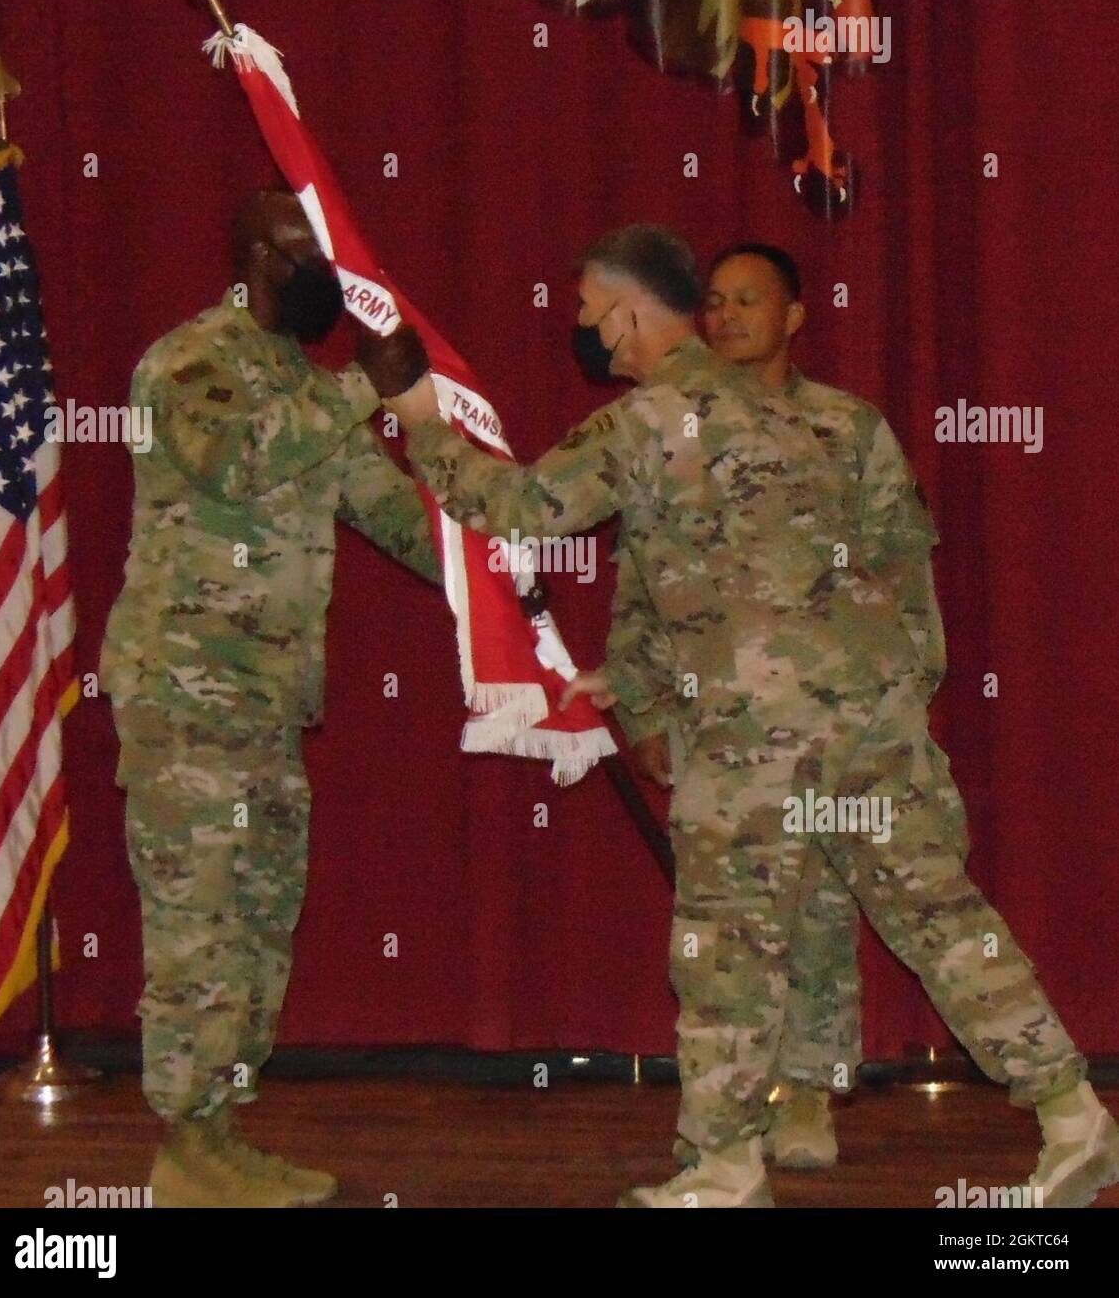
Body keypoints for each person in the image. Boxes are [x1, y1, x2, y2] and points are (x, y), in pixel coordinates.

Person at [358, 224, 1119, 1208]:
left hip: (751, 744)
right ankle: (1071, 1115)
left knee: (725, 950)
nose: (585, 329)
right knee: (938, 920)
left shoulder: (648, 421)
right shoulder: (822, 424)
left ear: (629, 308)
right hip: (865, 732)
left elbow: (522, 508)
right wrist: (640, 678)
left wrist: (418, 419)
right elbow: (731, 571)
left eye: (589, 310)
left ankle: (722, 1167)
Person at [99, 190, 441, 1208]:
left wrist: (489, 568)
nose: (322, 275)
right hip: (187, 702)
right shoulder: (186, 362)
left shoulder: (300, 379)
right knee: (195, 933)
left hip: (265, 712)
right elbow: (233, 459)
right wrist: (358, 390)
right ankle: (181, 1148)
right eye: (303, 253)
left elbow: (387, 512)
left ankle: (216, 1135)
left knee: (254, 927)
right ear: (255, 255)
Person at [602, 243, 963, 1170]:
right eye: (714, 301)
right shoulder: (669, 429)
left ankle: (804, 1089)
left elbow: (901, 565)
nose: (727, 316)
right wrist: (642, 706)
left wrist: (905, 694)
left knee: (821, 904)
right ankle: (727, 1114)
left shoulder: (847, 430)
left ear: (796, 316)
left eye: (749, 300)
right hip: (716, 718)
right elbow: (642, 577)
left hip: (837, 715)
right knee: (726, 923)